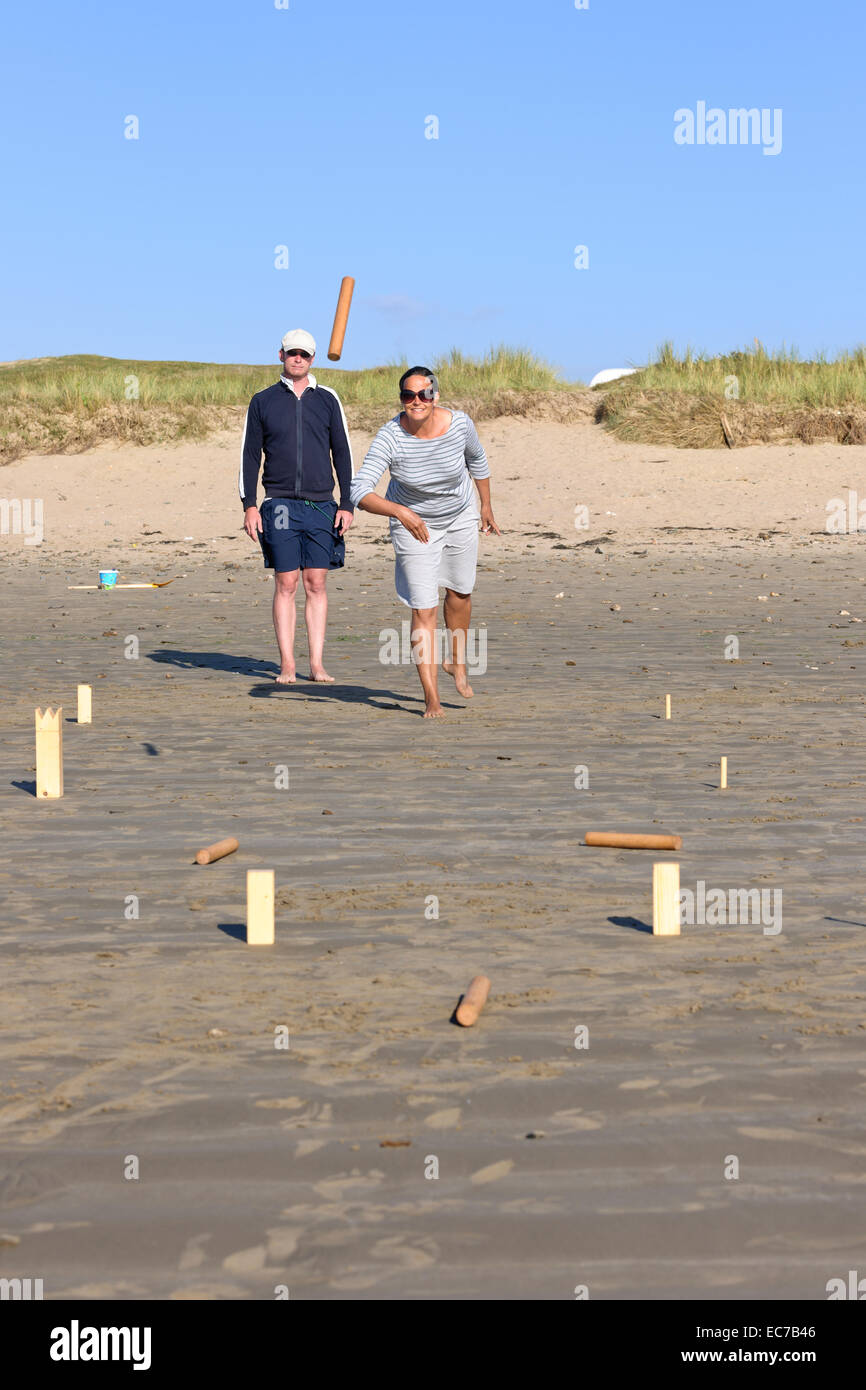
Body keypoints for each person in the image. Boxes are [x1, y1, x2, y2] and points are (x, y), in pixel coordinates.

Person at [350, 365, 500, 717]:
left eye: (424, 394)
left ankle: (457, 663)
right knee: (424, 608)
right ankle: (431, 697)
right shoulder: (390, 436)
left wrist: (486, 506)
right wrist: (400, 513)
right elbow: (358, 491)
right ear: (401, 399)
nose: (416, 401)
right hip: (412, 523)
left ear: (435, 396)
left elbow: (477, 459)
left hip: (459, 515)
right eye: (408, 395)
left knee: (460, 593)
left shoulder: (460, 424)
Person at [239, 329, 354, 683]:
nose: (298, 358)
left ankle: (316, 664)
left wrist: (347, 503)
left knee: (316, 582)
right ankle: (288, 663)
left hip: (322, 504)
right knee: (286, 582)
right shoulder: (263, 400)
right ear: (281, 355)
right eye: (292, 353)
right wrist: (249, 505)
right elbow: (249, 454)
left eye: (304, 354)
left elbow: (344, 453)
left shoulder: (328, 399)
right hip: (279, 504)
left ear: (313, 358)